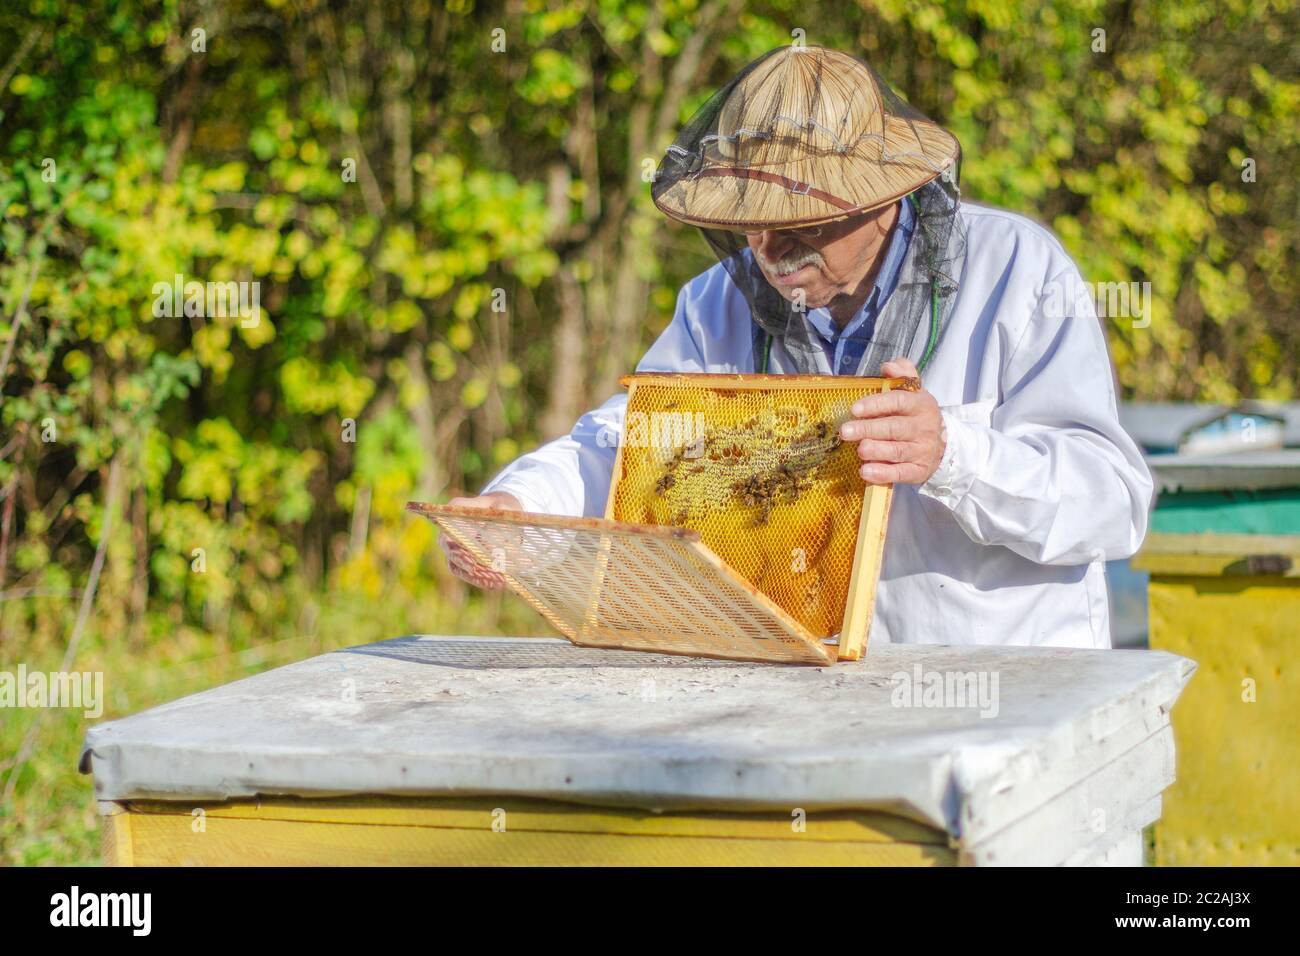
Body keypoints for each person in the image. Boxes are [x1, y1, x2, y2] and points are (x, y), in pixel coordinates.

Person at [444, 45, 1152, 649]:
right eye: (752, 219)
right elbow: (628, 448)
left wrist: (953, 457)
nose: (770, 247)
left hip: (1011, 711)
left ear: (880, 201)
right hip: (808, 702)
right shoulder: (716, 303)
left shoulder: (1017, 271)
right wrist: (519, 511)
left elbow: (1113, 503)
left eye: (799, 219)